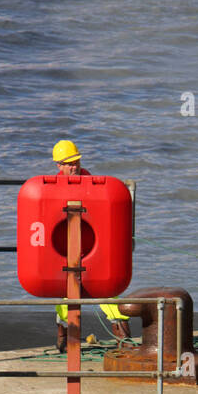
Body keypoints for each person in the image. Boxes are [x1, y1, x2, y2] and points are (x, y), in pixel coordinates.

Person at [50, 140, 132, 351]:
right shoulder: (51, 188)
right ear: (58, 165)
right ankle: (65, 339)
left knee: (107, 290)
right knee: (64, 299)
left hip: (92, 249)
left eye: (76, 161)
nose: (74, 166)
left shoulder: (92, 182)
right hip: (66, 252)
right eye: (69, 163)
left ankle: (123, 338)